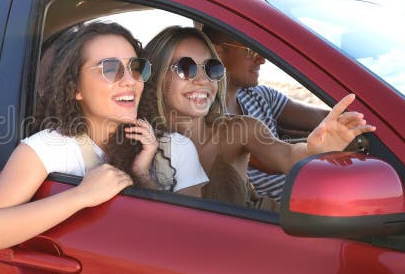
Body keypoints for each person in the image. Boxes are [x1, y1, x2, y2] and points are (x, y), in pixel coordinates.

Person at [0, 21, 207, 255]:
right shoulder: (48, 148)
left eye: (135, 68)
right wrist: (81, 196)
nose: (129, 81)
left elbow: (193, 241)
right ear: (75, 88)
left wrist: (143, 174)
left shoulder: (176, 149)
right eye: (110, 69)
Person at [141, 26, 375, 210]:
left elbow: (288, 155)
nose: (203, 80)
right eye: (186, 67)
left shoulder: (240, 130)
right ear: (158, 75)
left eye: (211, 68)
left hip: (258, 244)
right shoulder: (137, 139)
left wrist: (316, 150)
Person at [202, 25, 330, 202]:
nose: (261, 59)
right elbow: (278, 157)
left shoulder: (261, 95)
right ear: (218, 52)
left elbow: (323, 118)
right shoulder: (203, 117)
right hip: (275, 220)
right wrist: (335, 143)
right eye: (250, 50)